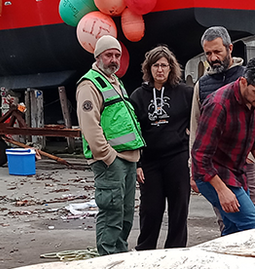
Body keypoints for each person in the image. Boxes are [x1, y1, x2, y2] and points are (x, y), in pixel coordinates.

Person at [189, 26, 255, 228]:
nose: (213, 58)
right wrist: (217, 187)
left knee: (242, 221)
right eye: (208, 53)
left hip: (244, 163)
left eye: (217, 51)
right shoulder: (214, 100)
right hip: (214, 168)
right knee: (251, 223)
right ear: (244, 84)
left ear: (230, 48)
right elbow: (198, 147)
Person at [76, 35, 145, 256]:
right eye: (109, 55)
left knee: (125, 214)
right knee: (111, 211)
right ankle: (107, 258)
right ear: (98, 57)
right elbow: (90, 123)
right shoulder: (89, 85)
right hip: (110, 160)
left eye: (117, 55)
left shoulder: (116, 83)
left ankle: (120, 254)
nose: (113, 60)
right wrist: (107, 156)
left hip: (127, 158)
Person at [129, 45, 191, 250]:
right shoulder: (138, 95)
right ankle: (145, 250)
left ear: (171, 68)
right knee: (151, 209)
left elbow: (199, 120)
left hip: (178, 157)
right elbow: (133, 131)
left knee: (179, 208)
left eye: (164, 65)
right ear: (149, 68)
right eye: (156, 65)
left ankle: (176, 250)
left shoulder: (185, 93)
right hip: (150, 161)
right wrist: (137, 163)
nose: (160, 70)